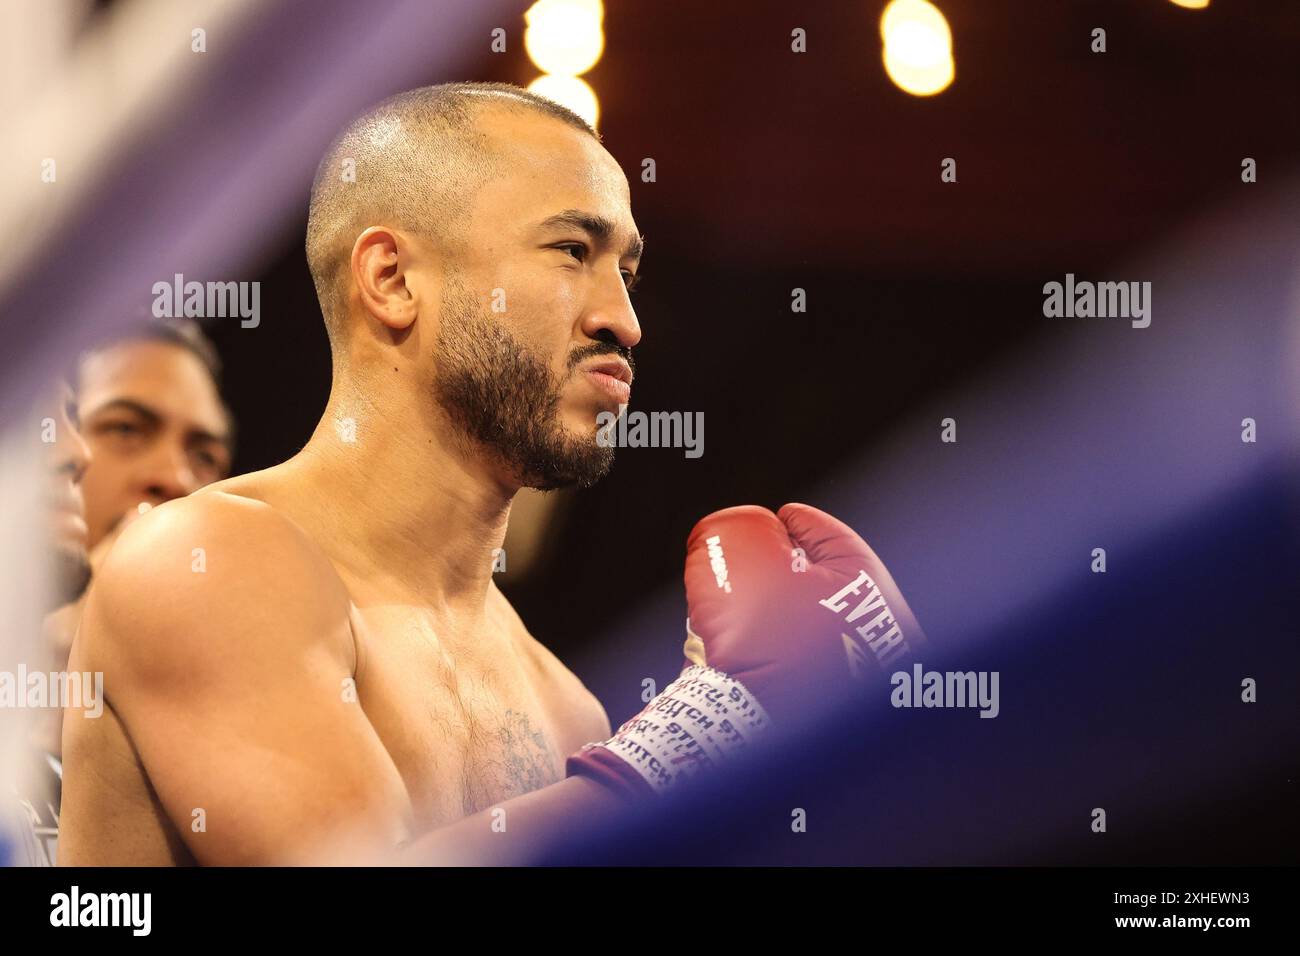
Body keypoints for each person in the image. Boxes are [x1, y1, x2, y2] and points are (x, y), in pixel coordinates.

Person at [59, 82, 925, 866]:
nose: (624, 320)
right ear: (393, 280)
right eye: (571, 251)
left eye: (627, 270)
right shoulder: (202, 563)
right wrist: (703, 731)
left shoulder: (564, 708)